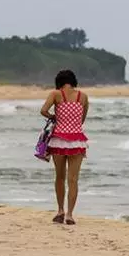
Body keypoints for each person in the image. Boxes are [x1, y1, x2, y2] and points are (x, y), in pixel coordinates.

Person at [41, 69, 89, 225]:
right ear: (73, 81)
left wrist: (54, 117)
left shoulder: (56, 94)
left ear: (59, 82)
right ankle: (70, 215)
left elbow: (43, 110)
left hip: (59, 140)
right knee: (73, 180)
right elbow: (81, 120)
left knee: (60, 177)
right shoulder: (83, 97)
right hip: (77, 141)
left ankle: (60, 211)